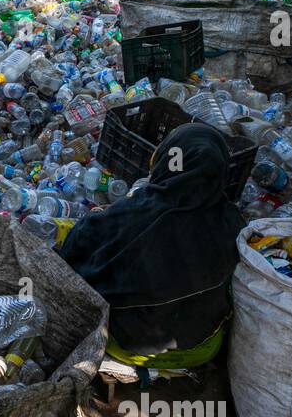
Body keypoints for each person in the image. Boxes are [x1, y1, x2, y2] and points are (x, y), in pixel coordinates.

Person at [58, 123, 243, 372]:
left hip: (129, 345)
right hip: (201, 347)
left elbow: (72, 255)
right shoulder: (233, 222)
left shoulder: (132, 212)